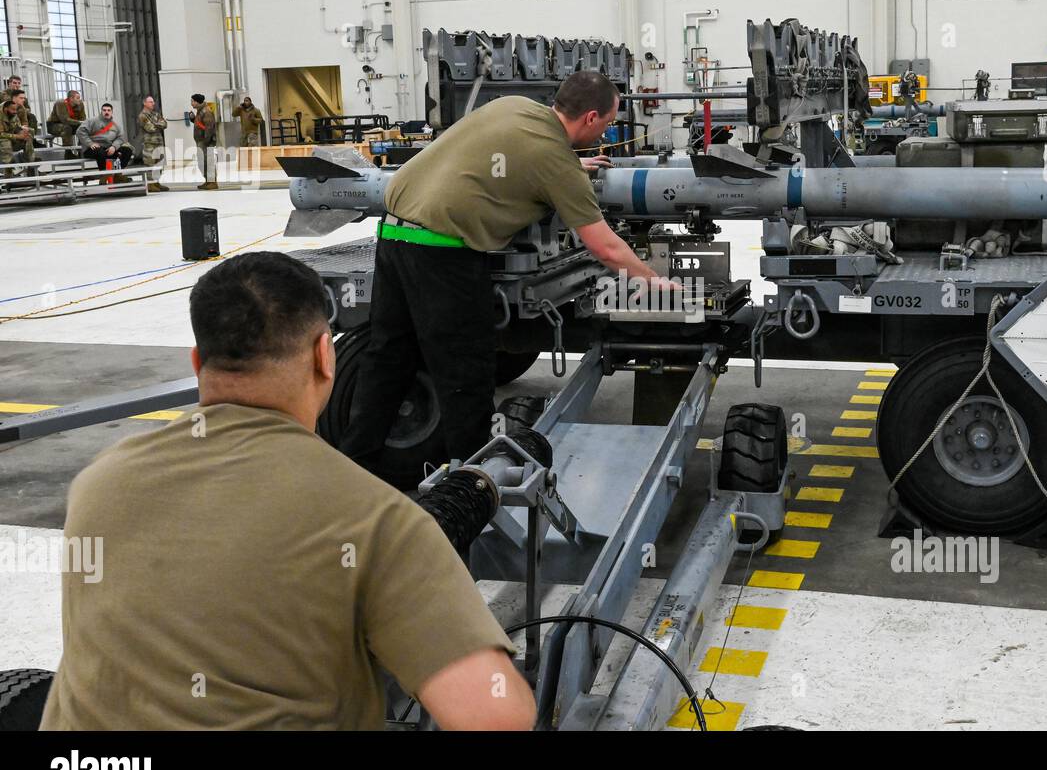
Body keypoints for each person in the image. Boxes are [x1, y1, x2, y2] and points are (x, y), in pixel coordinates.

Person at [40, 251, 534, 730]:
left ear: (197, 362)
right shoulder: (372, 516)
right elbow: (494, 716)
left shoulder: (100, 480)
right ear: (325, 355)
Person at [339, 71, 673, 487]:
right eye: (607, 123)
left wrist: (570, 166)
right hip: (443, 253)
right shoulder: (553, 160)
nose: (607, 130)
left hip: (394, 234)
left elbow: (507, 153)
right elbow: (604, 246)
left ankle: (352, 471)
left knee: (388, 356)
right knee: (465, 371)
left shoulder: (514, 106)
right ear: (590, 117)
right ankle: (471, 486)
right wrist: (651, 280)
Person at [75, 102, 134, 172]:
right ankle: (104, 174)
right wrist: (90, 143)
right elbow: (80, 131)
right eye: (104, 110)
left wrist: (114, 147)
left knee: (127, 150)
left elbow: (120, 137)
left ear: (112, 112)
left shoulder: (116, 125)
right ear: (101, 111)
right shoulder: (92, 121)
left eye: (109, 110)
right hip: (92, 149)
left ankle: (118, 173)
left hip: (108, 149)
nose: (106, 112)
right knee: (100, 151)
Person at [138, 94, 170, 192]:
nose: (153, 103)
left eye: (153, 101)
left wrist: (156, 123)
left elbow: (165, 124)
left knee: (159, 164)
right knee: (150, 164)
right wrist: (159, 124)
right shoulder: (142, 115)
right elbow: (150, 128)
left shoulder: (156, 114)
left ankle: (156, 183)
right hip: (149, 144)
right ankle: (150, 184)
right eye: (150, 102)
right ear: (144, 103)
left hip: (159, 143)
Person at [0, 97, 32, 185]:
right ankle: (8, 171)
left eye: (16, 110)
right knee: (5, 141)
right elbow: (1, 134)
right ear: (6, 109)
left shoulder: (13, 115)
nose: (15, 112)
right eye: (13, 110)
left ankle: (31, 164)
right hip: (2, 140)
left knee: (28, 137)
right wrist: (18, 136)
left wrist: (23, 133)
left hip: (10, 138)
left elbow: (17, 127)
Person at [190, 93, 218, 189]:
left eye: (193, 101)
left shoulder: (206, 111)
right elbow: (201, 124)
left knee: (208, 161)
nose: (191, 103)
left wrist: (206, 141)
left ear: (197, 102)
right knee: (202, 162)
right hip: (201, 141)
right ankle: (207, 180)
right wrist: (193, 120)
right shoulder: (200, 111)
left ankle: (212, 182)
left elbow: (209, 128)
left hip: (206, 141)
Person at [6, 91, 35, 169]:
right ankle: (28, 162)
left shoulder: (22, 108)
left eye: (24, 98)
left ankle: (30, 165)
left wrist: (22, 129)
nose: (24, 100)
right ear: (14, 98)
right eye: (21, 98)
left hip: (15, 136)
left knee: (29, 133)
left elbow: (25, 123)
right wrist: (19, 128)